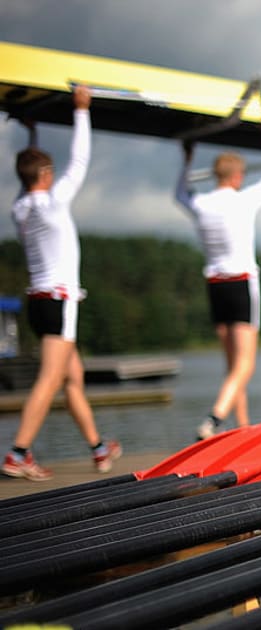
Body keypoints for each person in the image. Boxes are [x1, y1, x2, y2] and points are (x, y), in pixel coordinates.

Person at [5, 85, 121, 480]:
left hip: (38, 301)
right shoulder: (53, 203)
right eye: (49, 172)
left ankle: (99, 447)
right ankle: (19, 453)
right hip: (61, 300)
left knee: (74, 377)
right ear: (45, 175)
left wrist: (31, 134)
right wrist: (82, 110)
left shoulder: (20, 209)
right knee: (53, 378)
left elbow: (29, 174)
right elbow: (81, 159)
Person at [176, 116, 261, 439]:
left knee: (233, 366)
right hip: (241, 284)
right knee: (246, 365)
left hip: (215, 286)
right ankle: (215, 419)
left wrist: (186, 162)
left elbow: (179, 194)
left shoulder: (201, 204)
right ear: (239, 176)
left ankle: (243, 428)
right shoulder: (243, 200)